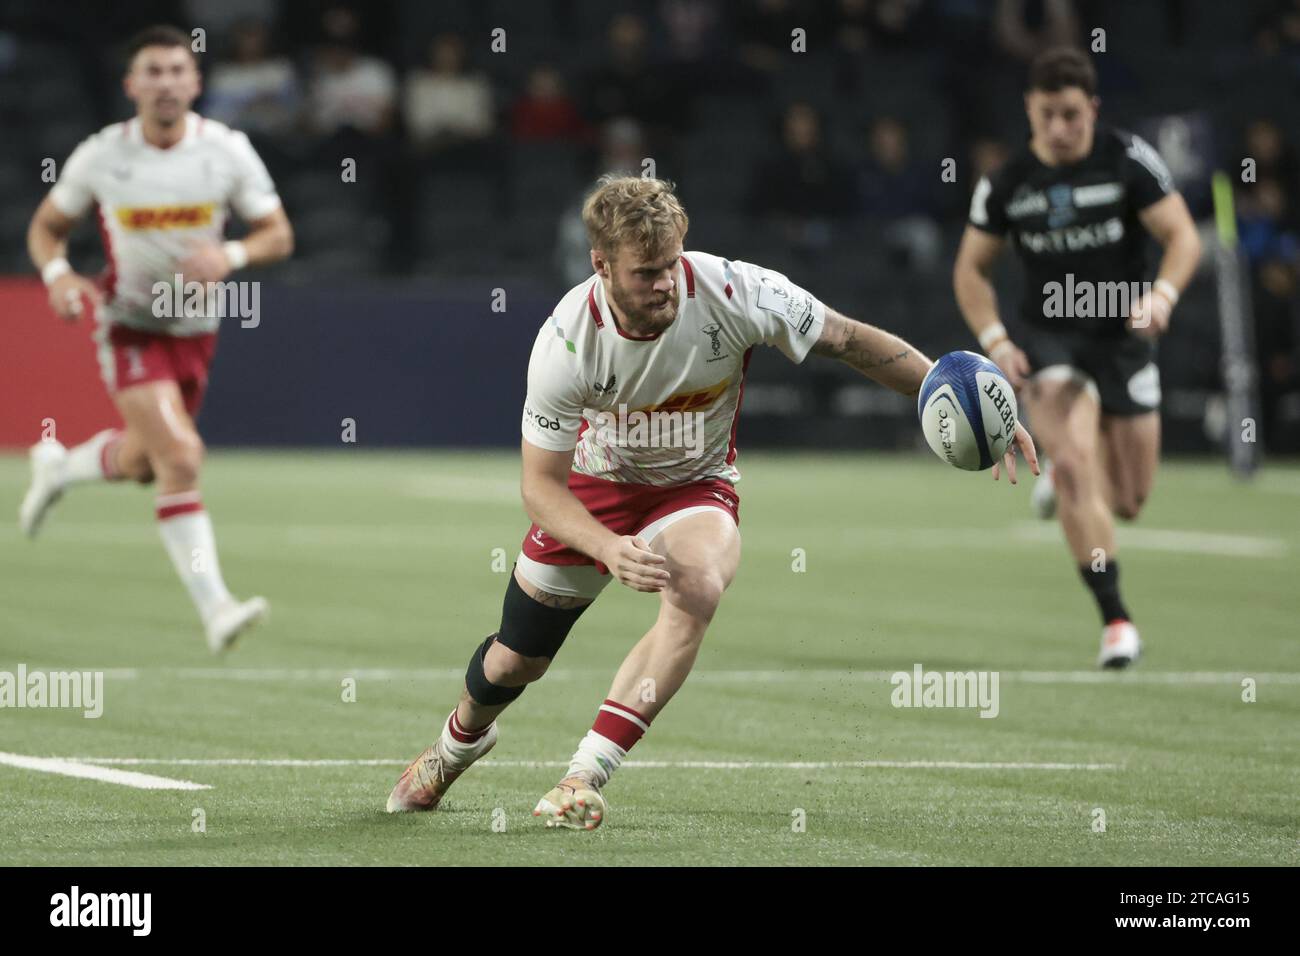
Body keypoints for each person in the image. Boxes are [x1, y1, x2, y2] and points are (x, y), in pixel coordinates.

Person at [386, 174, 1038, 829]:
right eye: (646, 272)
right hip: (594, 493)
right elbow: (540, 487)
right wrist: (608, 546)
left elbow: (849, 341)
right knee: (516, 659)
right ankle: (454, 746)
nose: (665, 282)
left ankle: (584, 774)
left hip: (694, 487)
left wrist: (965, 403)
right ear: (601, 265)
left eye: (670, 263)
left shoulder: (735, 290)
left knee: (696, 585)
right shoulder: (565, 343)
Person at [21, 25, 295, 652]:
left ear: (195, 82)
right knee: (182, 457)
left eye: (177, 71)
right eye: (153, 71)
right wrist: (59, 275)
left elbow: (277, 234)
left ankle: (62, 466)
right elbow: (46, 229)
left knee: (148, 463)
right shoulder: (102, 155)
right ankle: (217, 606)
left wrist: (231, 253)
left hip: (196, 331)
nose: (166, 83)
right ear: (131, 84)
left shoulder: (225, 151)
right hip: (128, 325)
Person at [952, 47, 1201, 668]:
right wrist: (998, 341)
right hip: (1050, 339)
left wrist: (1163, 295)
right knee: (1074, 456)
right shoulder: (1007, 182)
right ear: (1029, 112)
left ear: (1092, 108)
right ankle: (1117, 620)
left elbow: (1183, 237)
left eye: (1071, 115)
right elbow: (971, 270)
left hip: (1123, 336)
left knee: (1130, 501)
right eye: (1046, 116)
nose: (1060, 129)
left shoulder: (1126, 159)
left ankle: (1064, 480)